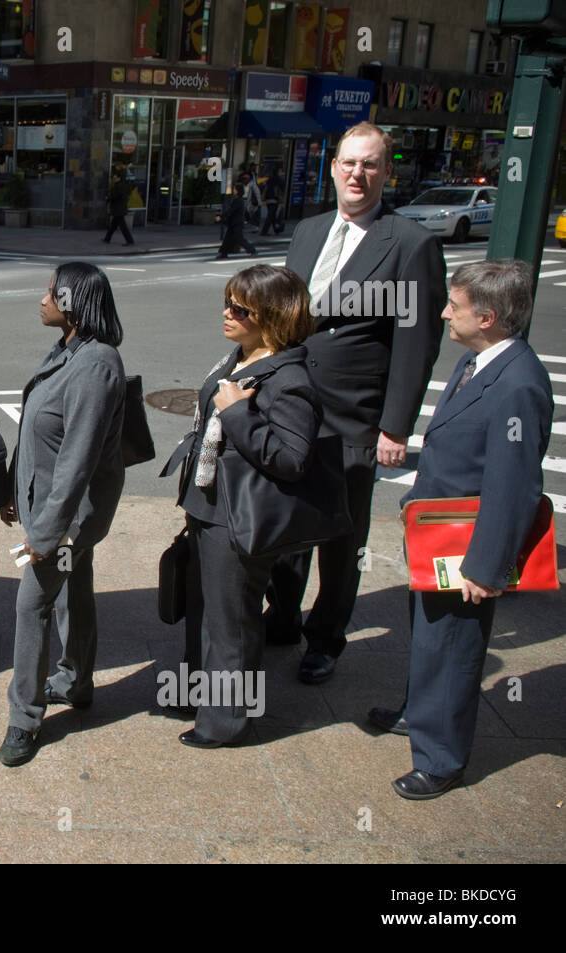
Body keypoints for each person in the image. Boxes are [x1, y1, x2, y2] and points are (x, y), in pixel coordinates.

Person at [265, 121, 445, 685]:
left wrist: (395, 428)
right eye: (348, 163)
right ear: (334, 167)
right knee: (287, 518)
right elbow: (284, 315)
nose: (357, 174)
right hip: (294, 405)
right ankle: (283, 615)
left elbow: (416, 346)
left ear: (386, 172)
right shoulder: (310, 229)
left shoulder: (412, 244)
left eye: (369, 164)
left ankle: (326, 638)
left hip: (355, 419)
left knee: (343, 537)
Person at [370, 260, 553, 800]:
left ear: (489, 317)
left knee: (451, 648)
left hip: (466, 548)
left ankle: (442, 759)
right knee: (431, 639)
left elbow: (513, 486)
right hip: (437, 534)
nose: (446, 313)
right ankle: (419, 714)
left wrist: (486, 565)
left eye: (455, 305)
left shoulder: (517, 384)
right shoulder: (481, 361)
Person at [163, 266, 321, 748]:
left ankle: (227, 722)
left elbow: (292, 458)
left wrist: (236, 412)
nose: (227, 313)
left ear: (272, 317)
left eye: (240, 308)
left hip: (237, 519)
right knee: (206, 611)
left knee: (230, 623)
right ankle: (199, 692)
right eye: (227, 302)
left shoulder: (289, 378)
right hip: (210, 509)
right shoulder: (242, 357)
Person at [0, 262, 126, 767]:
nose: (42, 298)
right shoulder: (70, 349)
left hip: (69, 515)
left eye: (51, 291)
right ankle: (77, 681)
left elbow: (78, 457)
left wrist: (48, 534)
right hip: (48, 502)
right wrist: (13, 486)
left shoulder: (97, 364)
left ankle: (24, 719)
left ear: (72, 301)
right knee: (74, 589)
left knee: (32, 603)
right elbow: (36, 421)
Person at [213, 181, 256, 260]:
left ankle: (252, 250)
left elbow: (231, 210)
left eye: (234, 189)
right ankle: (223, 253)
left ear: (238, 190)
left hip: (237, 223)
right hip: (234, 223)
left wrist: (221, 217)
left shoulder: (238, 200)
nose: (233, 190)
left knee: (239, 238)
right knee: (227, 239)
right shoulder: (238, 200)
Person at [102, 168, 135, 246]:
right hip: (119, 208)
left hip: (119, 209)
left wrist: (108, 198)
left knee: (123, 227)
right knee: (113, 225)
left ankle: (130, 241)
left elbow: (116, 196)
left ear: (119, 178)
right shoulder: (120, 185)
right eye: (113, 178)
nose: (114, 179)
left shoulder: (119, 186)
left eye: (115, 177)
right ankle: (107, 238)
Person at [260, 167, 285, 236]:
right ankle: (264, 231)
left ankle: (276, 230)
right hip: (275, 199)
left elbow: (265, 189)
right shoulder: (279, 180)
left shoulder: (269, 179)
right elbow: (281, 191)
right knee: (271, 216)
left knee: (272, 215)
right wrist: (282, 200)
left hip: (268, 200)